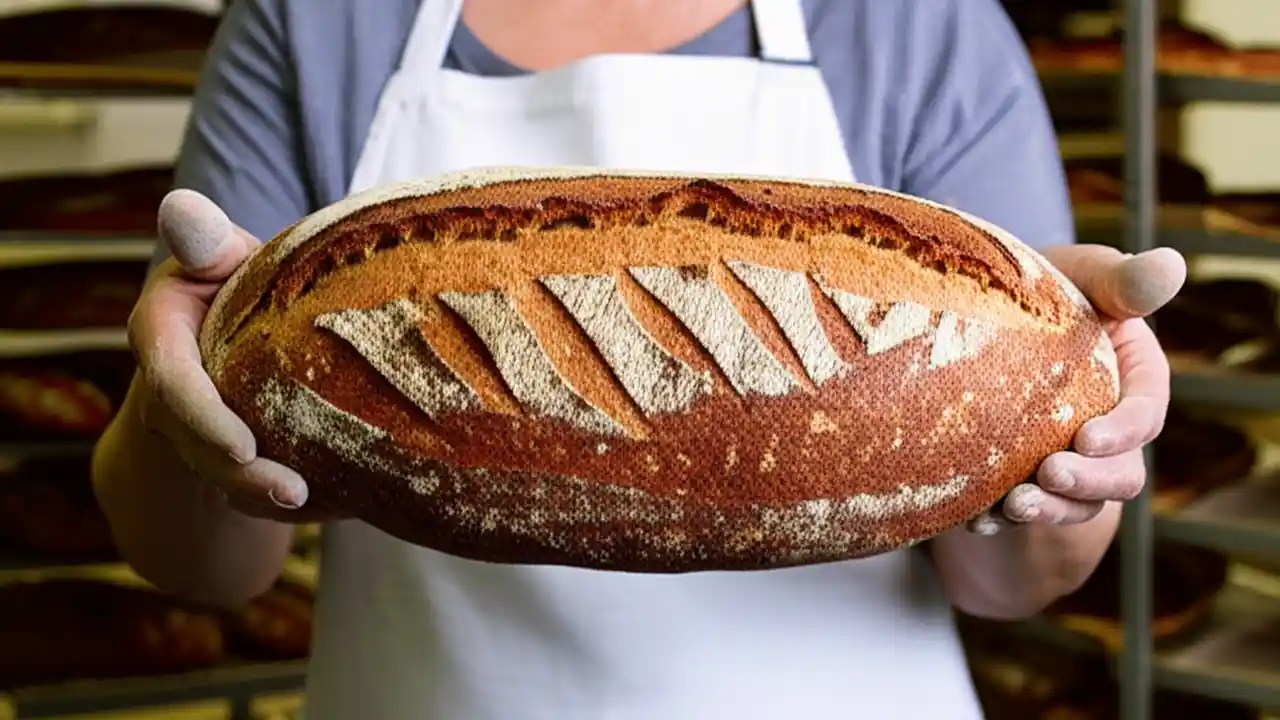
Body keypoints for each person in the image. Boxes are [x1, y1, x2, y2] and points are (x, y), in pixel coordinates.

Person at [91, 0, 1187, 717]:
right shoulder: (314, 21)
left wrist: (1076, 451)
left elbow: (1010, 585)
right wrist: (173, 394)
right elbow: (204, 568)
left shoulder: (915, 23)